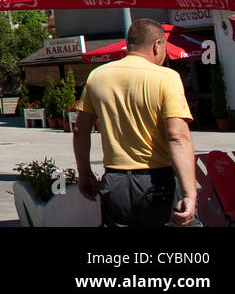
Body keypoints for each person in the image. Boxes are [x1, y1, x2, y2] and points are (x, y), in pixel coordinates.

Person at [73, 18, 199, 227]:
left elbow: (80, 131)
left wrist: (85, 173)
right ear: (157, 45)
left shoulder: (97, 76)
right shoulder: (166, 77)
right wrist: (189, 193)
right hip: (157, 180)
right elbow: (177, 136)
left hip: (115, 183)